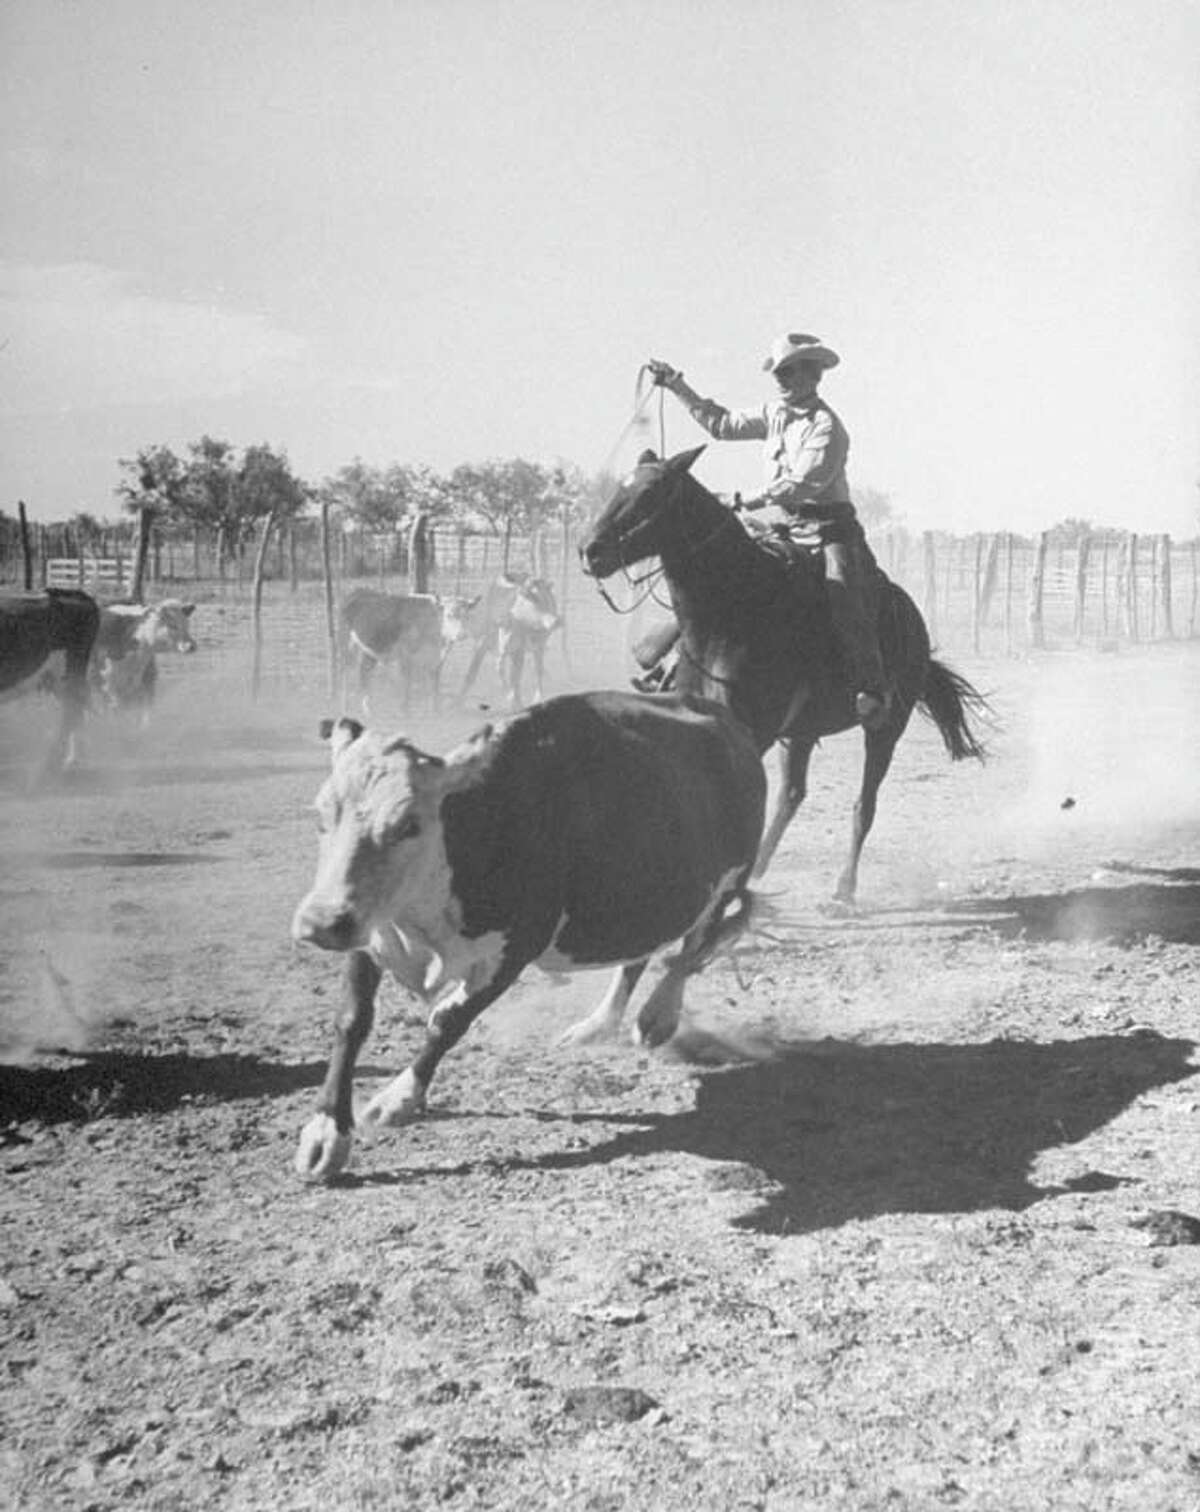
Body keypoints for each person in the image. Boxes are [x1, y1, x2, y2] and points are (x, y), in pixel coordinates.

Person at [638, 332, 890, 730]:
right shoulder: (773, 413)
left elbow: (800, 484)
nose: (780, 379)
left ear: (813, 374)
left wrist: (740, 499)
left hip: (830, 530)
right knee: (721, 570)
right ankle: (671, 665)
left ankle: (869, 688)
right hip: (786, 525)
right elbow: (721, 424)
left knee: (842, 589)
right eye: (778, 372)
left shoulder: (827, 427)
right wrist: (676, 385)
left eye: (789, 371)